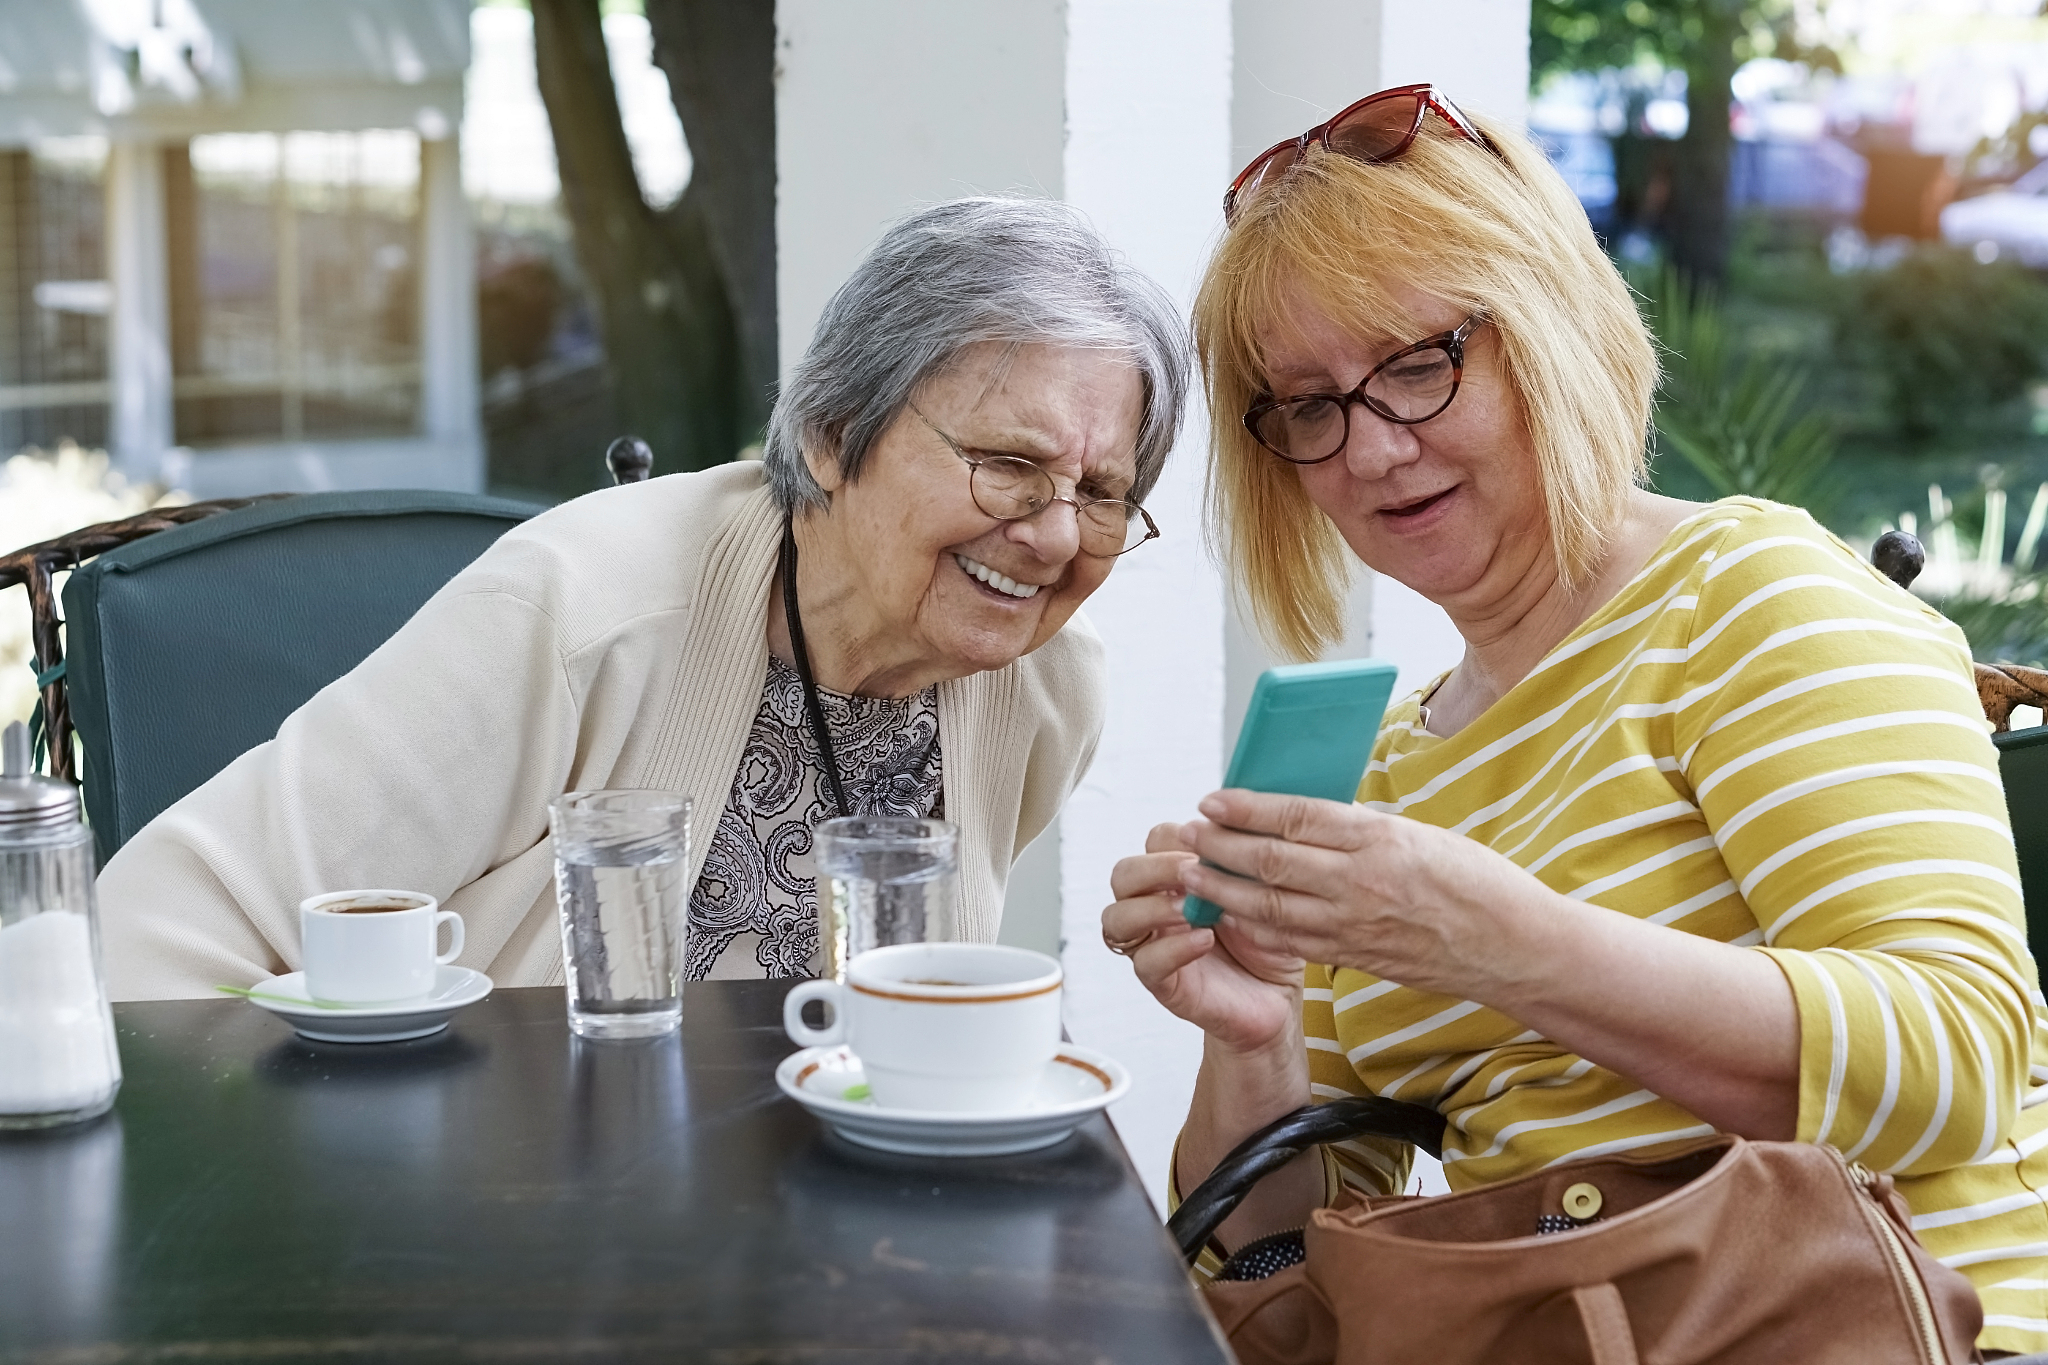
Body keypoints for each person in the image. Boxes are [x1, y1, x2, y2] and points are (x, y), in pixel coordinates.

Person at [1099, 85, 2048, 1356]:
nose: (1371, 451)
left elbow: (1955, 1057)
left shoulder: (1748, 601)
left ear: (1549, 323)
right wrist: (1255, 1036)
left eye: (1419, 363)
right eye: (1309, 407)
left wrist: (1499, 942)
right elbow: (1279, 1264)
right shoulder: (1381, 778)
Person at [102, 196, 1190, 997]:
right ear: (829, 433)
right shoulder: (583, 611)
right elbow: (167, 921)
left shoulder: (1045, 687)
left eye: (1099, 491)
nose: (1053, 535)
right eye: (1007, 464)